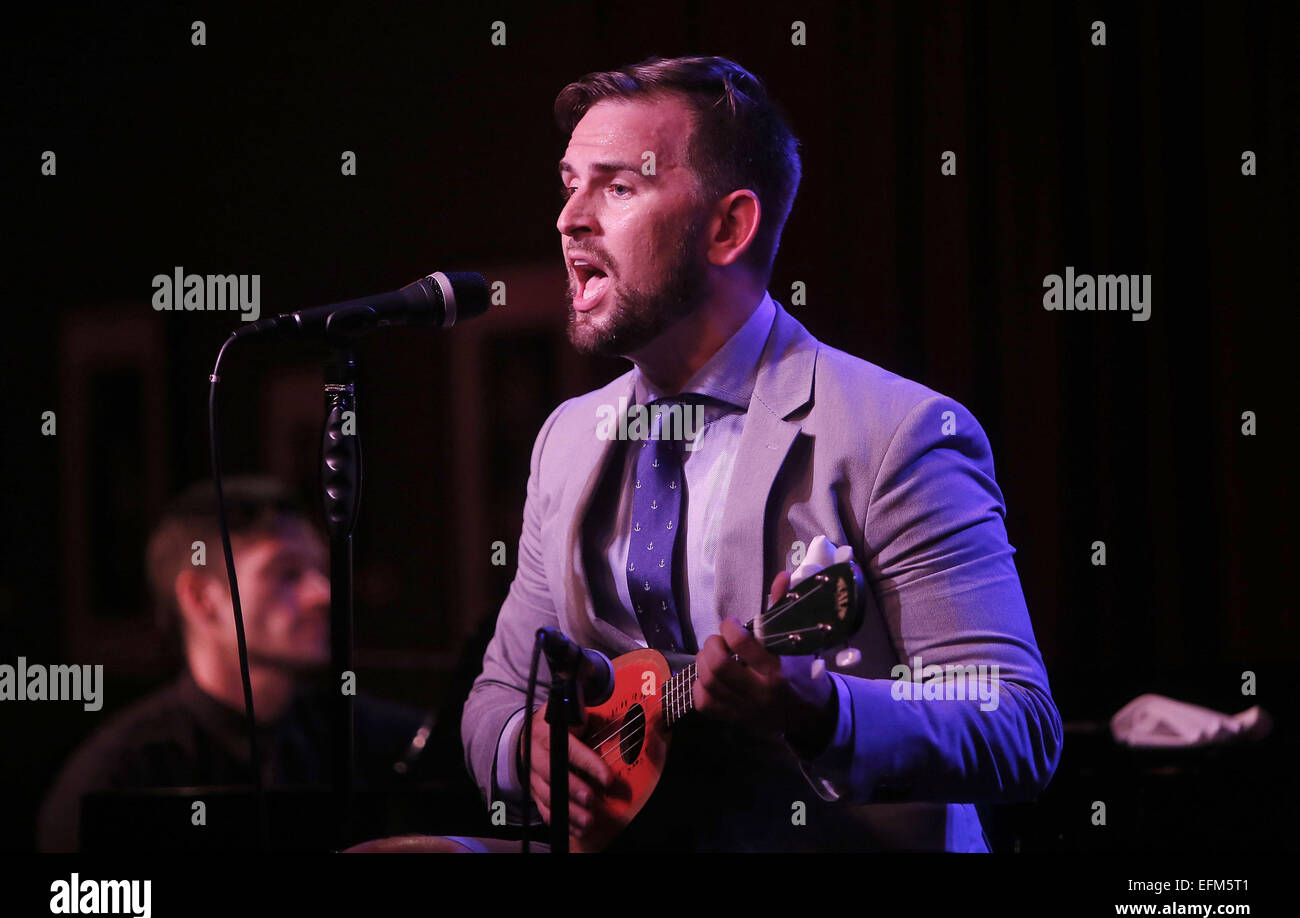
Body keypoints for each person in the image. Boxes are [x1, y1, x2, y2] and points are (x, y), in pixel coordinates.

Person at [461, 55, 1062, 851]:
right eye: (568, 183)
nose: (570, 217)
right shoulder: (568, 438)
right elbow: (497, 694)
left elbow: (1016, 722)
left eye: (616, 187)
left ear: (728, 227)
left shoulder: (899, 432)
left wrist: (824, 711)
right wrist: (523, 749)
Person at [38, 476, 431, 852]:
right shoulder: (119, 777)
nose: (323, 593)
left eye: (320, 571)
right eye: (287, 574)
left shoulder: (367, 737)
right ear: (200, 598)